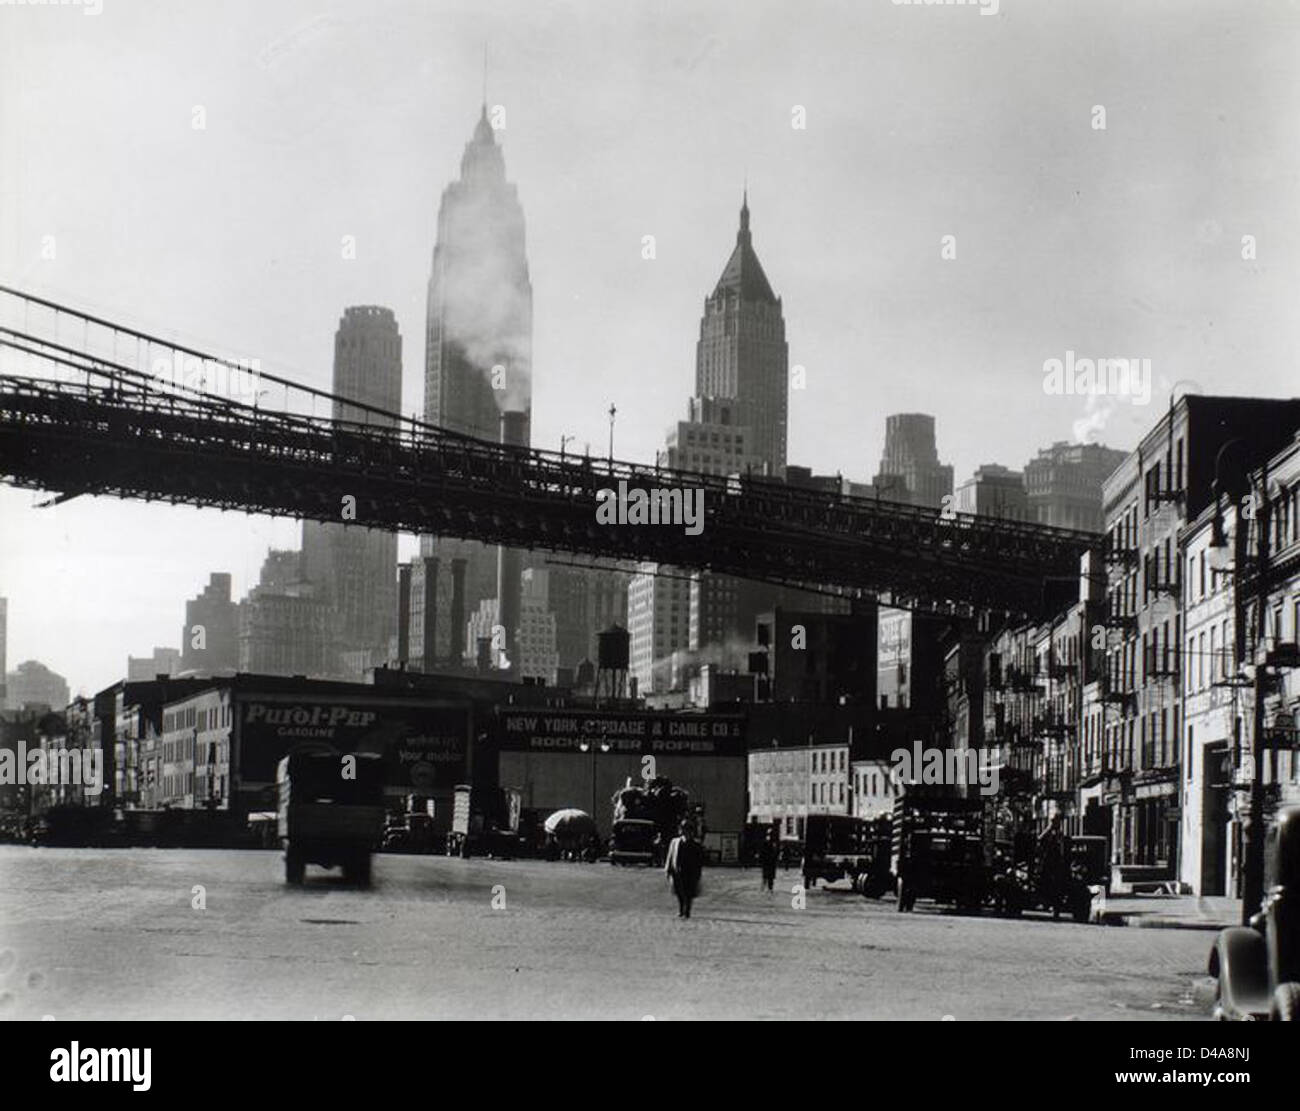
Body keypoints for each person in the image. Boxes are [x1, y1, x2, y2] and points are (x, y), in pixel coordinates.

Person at [664, 821, 705, 918]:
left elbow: (699, 860)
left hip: (690, 872)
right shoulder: (675, 842)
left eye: (688, 830)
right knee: (679, 891)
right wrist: (668, 869)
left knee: (689, 892)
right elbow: (670, 855)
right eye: (684, 829)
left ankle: (687, 911)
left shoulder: (696, 845)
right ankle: (681, 908)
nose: (685, 832)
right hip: (677, 871)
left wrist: (698, 873)